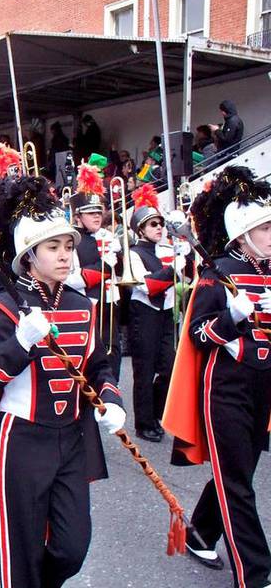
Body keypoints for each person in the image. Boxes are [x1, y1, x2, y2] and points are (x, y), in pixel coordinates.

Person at [0, 171, 126, 588]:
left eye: (68, 246)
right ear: (29, 255)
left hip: (72, 439)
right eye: (53, 247)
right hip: (22, 441)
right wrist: (20, 343)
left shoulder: (82, 304)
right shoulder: (4, 305)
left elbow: (99, 363)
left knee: (71, 547)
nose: (65, 255)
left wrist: (112, 399)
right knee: (22, 554)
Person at [164, 166, 271, 587]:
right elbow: (198, 332)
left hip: (263, 385)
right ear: (243, 235)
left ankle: (200, 532)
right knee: (237, 481)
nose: (270, 234)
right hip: (224, 386)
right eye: (264, 228)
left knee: (239, 471)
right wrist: (233, 315)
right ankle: (256, 572)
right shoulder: (218, 269)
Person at [127, 184, 188, 442]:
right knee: (144, 370)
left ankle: (156, 412)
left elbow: (182, 278)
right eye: (153, 225)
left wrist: (184, 259)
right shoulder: (133, 254)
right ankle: (143, 423)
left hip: (164, 314)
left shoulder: (164, 251)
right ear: (140, 229)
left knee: (169, 367)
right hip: (144, 316)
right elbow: (148, 285)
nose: (159, 228)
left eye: (160, 224)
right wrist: (174, 268)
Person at [65, 163, 123, 379]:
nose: (97, 216)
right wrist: (105, 267)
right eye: (91, 213)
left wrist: (119, 258)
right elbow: (70, 279)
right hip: (85, 303)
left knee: (113, 352)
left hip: (110, 302)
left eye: (99, 211)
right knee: (89, 356)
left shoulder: (107, 237)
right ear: (78, 216)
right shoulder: (71, 239)